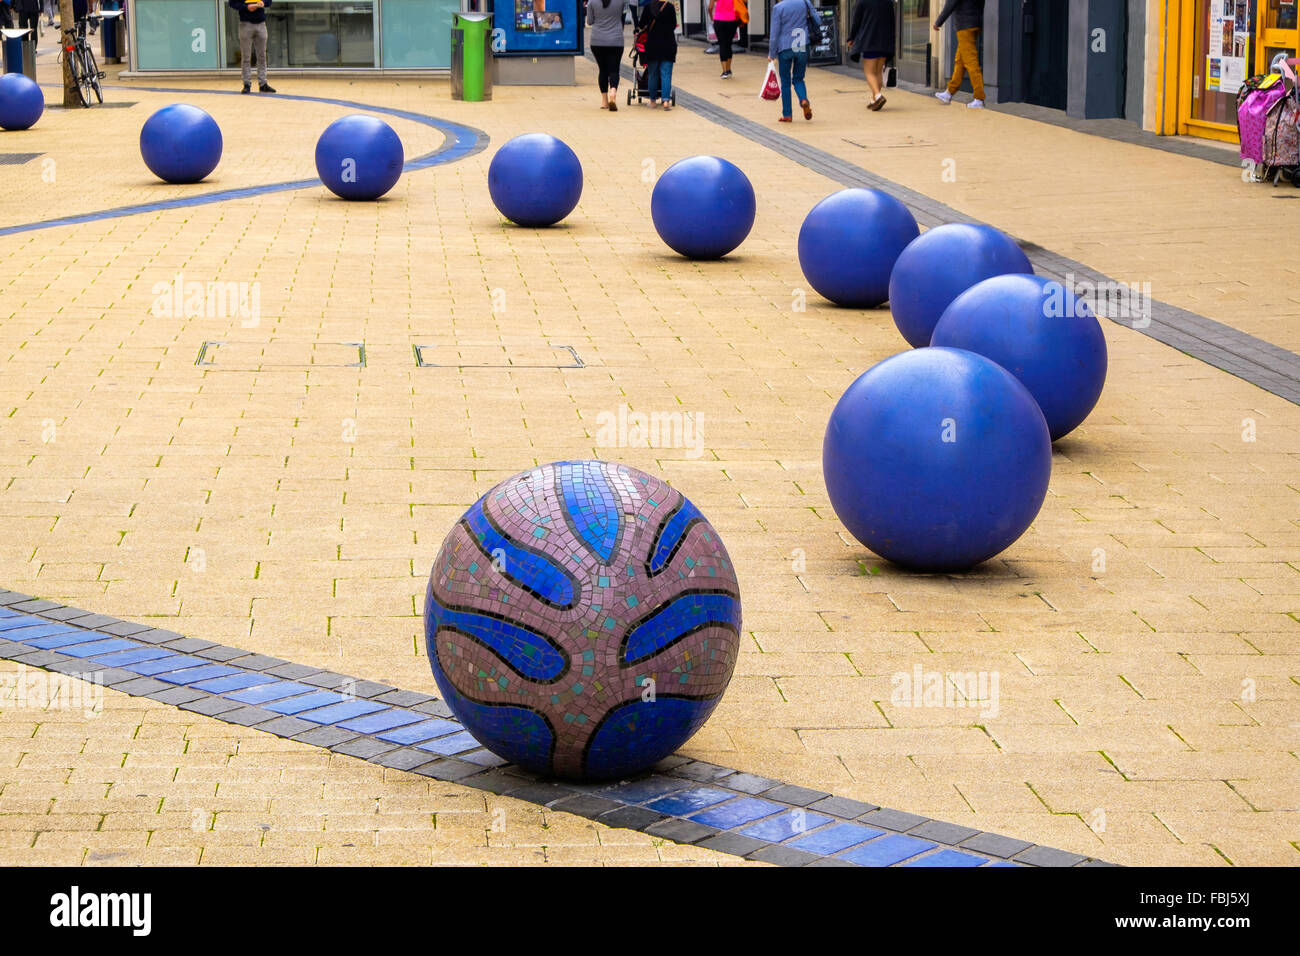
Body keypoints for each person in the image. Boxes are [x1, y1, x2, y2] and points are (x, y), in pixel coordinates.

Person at [767, 0, 813, 123]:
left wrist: (772, 53)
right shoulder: (804, 2)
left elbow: (774, 33)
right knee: (798, 78)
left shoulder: (778, 8)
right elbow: (817, 20)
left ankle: (787, 114)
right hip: (802, 44)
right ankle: (803, 99)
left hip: (785, 47)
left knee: (785, 81)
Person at [933, 0, 985, 109]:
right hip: (975, 23)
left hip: (964, 25)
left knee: (971, 62)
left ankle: (979, 98)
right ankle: (949, 92)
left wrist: (938, 22)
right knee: (960, 61)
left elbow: (950, 4)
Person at [847, 0, 893, 111]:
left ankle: (878, 95)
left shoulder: (862, 1)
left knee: (869, 72)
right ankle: (874, 100)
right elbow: (892, 21)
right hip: (884, 42)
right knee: (878, 72)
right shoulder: (888, 2)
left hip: (870, 41)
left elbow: (856, 22)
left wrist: (851, 37)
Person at [588, 0, 630, 111]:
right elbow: (624, 15)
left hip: (597, 41)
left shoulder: (592, 2)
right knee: (614, 70)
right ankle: (613, 92)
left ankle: (604, 101)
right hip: (616, 40)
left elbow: (590, 21)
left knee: (603, 70)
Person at [228, 0, 276, 94]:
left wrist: (263, 3)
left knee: (262, 56)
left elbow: (269, 1)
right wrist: (246, 7)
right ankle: (247, 84)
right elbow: (232, 3)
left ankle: (263, 84)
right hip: (246, 24)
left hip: (261, 24)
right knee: (246, 57)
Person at [640, 0, 676, 110]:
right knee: (666, 74)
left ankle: (652, 101)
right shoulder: (670, 7)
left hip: (652, 45)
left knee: (653, 74)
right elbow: (674, 25)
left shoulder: (648, 7)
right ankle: (665, 101)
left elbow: (641, 24)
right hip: (668, 45)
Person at [708, 0, 738, 79]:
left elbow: (710, 7)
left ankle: (724, 71)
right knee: (728, 44)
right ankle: (729, 70)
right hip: (732, 20)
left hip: (719, 20)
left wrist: (711, 16)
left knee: (722, 44)